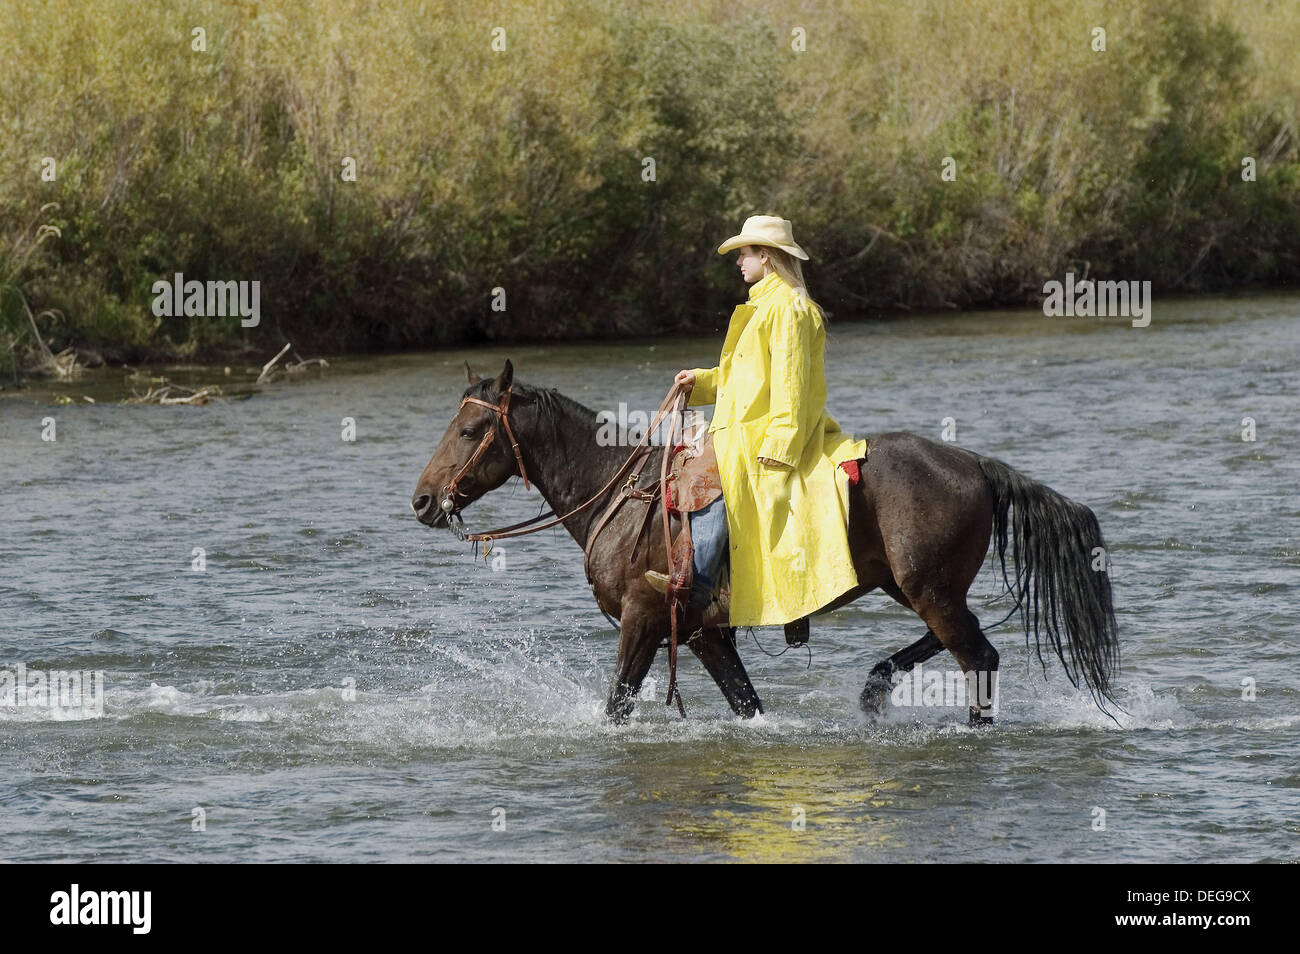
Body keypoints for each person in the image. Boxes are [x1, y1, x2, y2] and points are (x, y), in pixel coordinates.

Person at [646, 214, 868, 644]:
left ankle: (699, 588)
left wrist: (781, 446)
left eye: (743, 253)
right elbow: (744, 380)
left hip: (761, 436)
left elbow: (792, 385)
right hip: (738, 429)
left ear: (765, 256)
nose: (738, 262)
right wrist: (701, 380)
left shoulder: (788, 307)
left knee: (713, 490)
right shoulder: (764, 305)